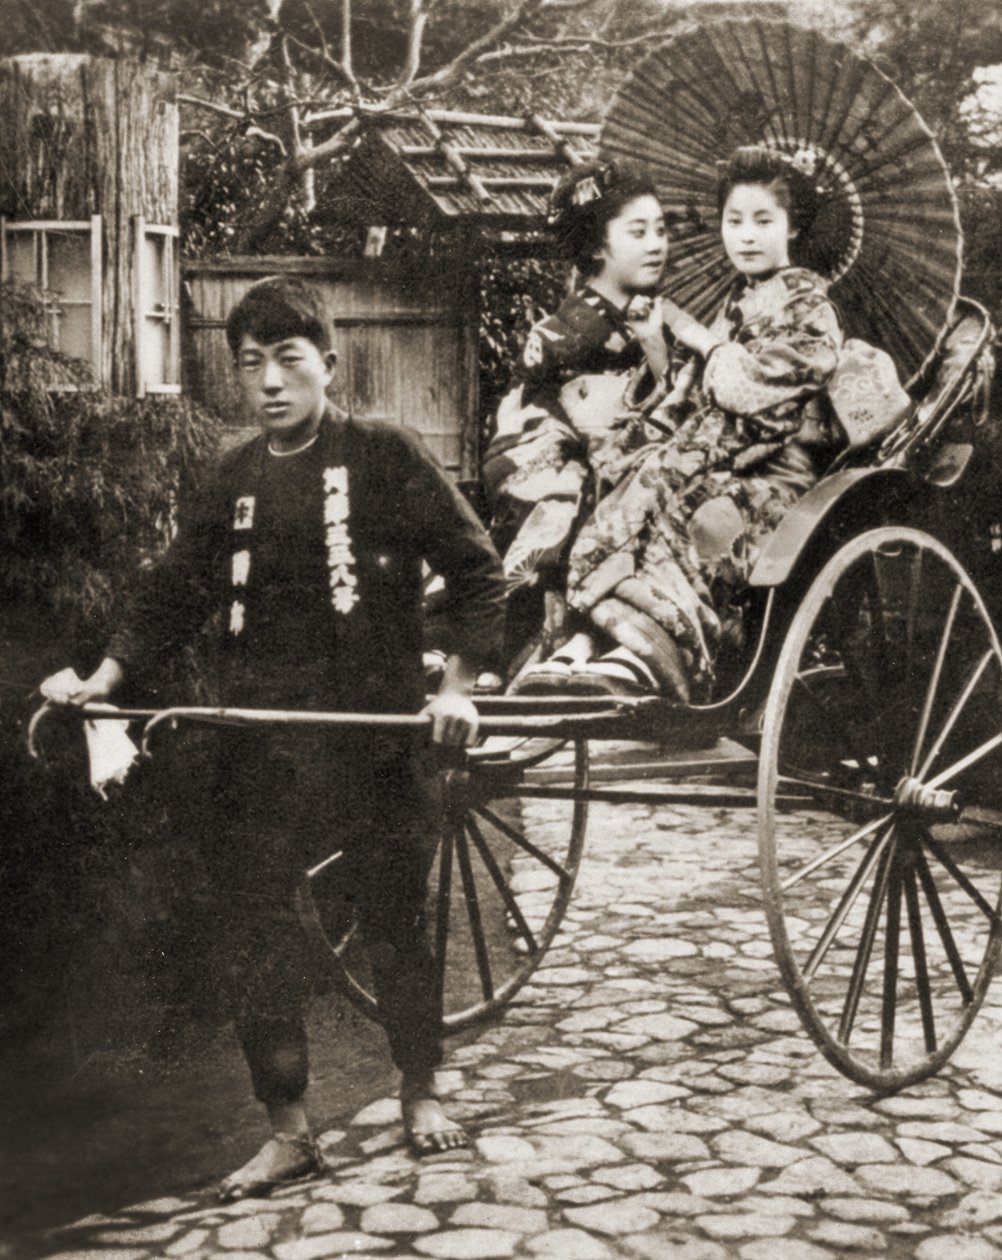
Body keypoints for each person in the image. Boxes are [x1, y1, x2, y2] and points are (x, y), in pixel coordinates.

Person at [39, 277, 506, 1197]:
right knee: (249, 920)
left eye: (289, 360)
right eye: (249, 364)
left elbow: (479, 576)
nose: (268, 383)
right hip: (262, 742)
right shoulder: (233, 476)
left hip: (373, 732)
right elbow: (170, 596)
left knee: (394, 919)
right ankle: (289, 1129)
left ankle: (420, 1089)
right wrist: (107, 680)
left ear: (329, 364)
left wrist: (456, 688)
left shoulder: (385, 455)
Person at [559, 145, 850, 701]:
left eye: (764, 221)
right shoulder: (738, 303)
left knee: (686, 512)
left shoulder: (811, 306)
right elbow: (693, 399)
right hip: (718, 455)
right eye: (733, 220)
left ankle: (655, 649)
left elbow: (755, 395)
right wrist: (656, 347)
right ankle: (597, 638)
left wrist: (704, 343)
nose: (747, 235)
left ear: (793, 227)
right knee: (620, 490)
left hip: (776, 474)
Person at [480, 159, 672, 686]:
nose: (656, 243)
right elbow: (587, 419)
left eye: (661, 229)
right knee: (561, 520)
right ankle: (495, 660)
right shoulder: (570, 330)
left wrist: (657, 348)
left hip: (607, 456)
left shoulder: (648, 320)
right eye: (638, 232)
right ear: (595, 247)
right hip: (550, 455)